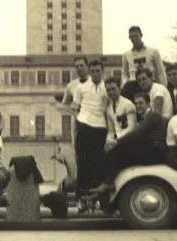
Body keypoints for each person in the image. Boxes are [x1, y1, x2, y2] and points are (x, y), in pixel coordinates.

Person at [88, 92, 167, 197]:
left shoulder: (152, 116)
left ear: (148, 104)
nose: (138, 106)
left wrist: (117, 142)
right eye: (136, 104)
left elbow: (137, 133)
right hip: (152, 149)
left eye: (141, 103)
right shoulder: (147, 117)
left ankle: (107, 183)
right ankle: (106, 182)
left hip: (155, 151)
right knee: (116, 154)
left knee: (117, 151)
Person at [71, 59, 109, 197]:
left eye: (98, 71)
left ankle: (97, 194)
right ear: (89, 71)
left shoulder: (107, 88)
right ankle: (81, 194)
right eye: (92, 71)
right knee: (83, 160)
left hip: (101, 127)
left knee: (98, 161)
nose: (95, 73)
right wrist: (78, 119)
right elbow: (74, 107)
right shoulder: (81, 88)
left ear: (102, 71)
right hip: (84, 125)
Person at [104, 76, 137, 144]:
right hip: (118, 142)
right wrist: (109, 140)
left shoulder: (128, 104)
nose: (111, 92)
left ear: (119, 89)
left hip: (130, 140)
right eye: (108, 90)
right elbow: (111, 131)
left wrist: (118, 139)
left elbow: (132, 127)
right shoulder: (109, 109)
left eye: (113, 89)